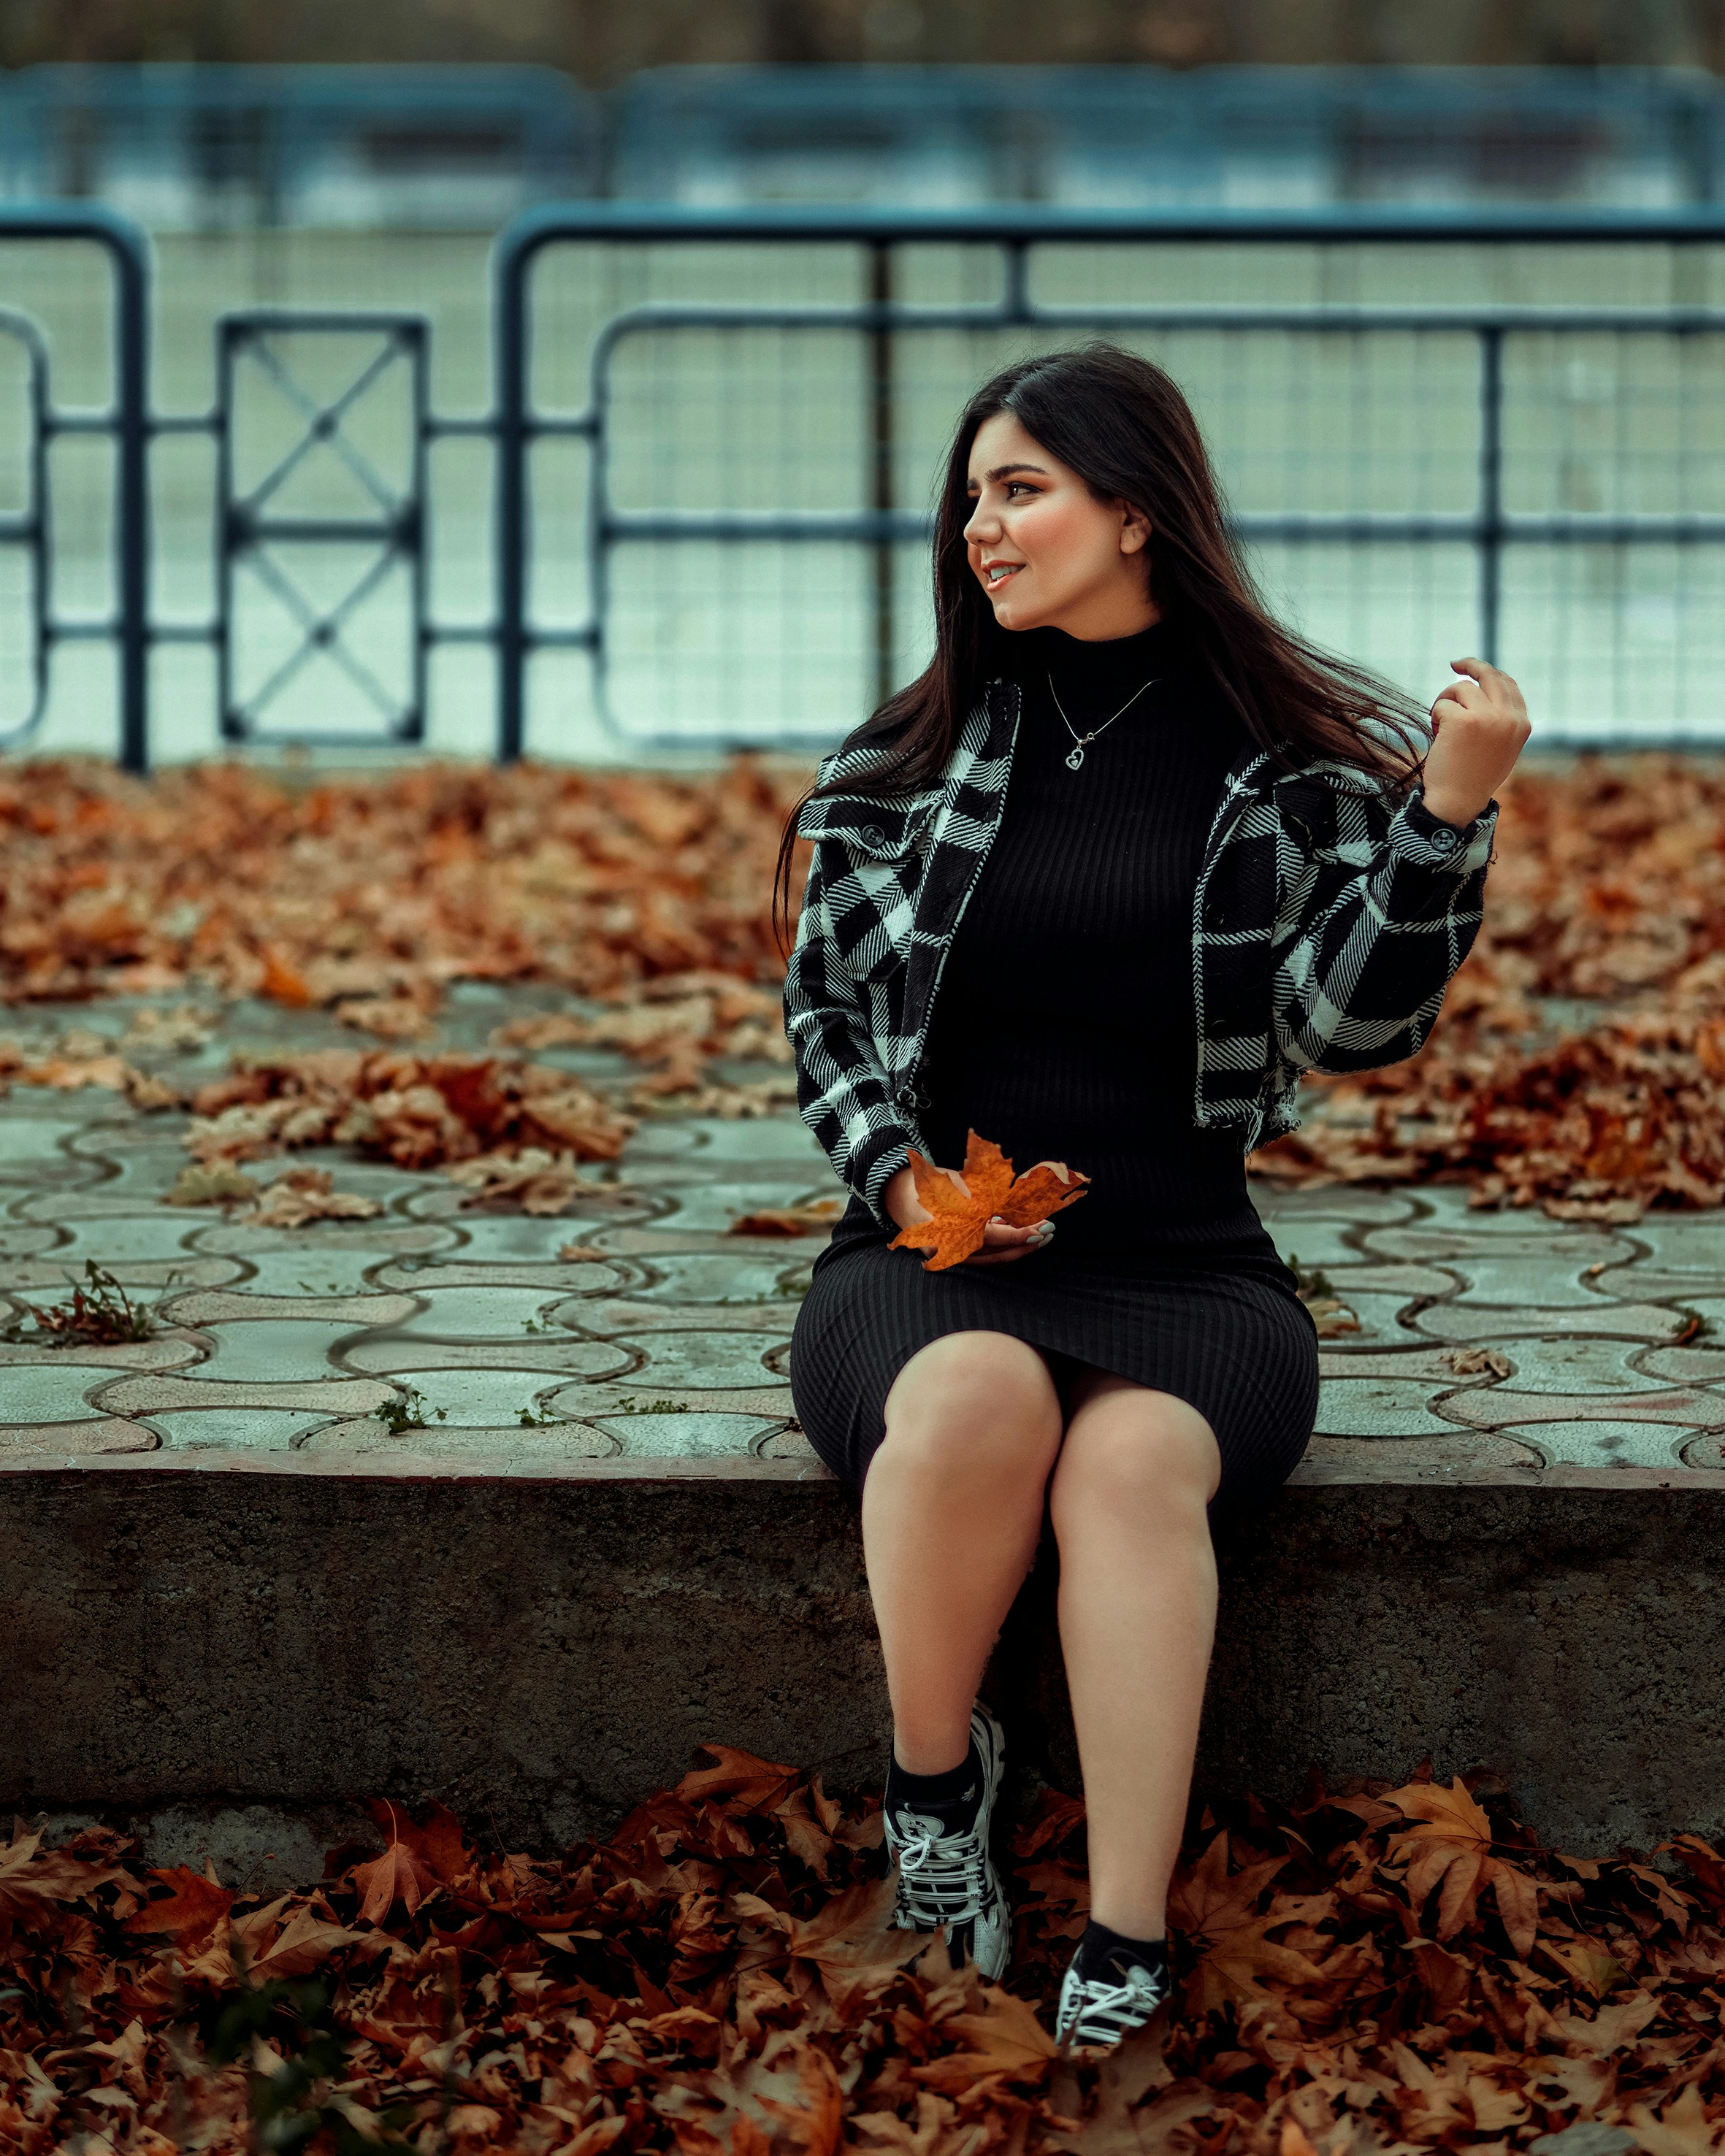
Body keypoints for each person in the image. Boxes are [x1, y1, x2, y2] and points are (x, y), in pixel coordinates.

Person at [776, 344, 1529, 2052]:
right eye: (969, 495)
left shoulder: (1280, 763)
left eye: (1018, 488)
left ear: (1133, 509)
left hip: (1190, 1273)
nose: (979, 524)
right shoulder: (912, 756)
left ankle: (1119, 1936)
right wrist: (904, 1182)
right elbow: (822, 1022)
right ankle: (930, 1787)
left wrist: (1445, 819)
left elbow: (1352, 1029)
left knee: (1124, 1463)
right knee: (972, 1392)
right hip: (919, 1261)